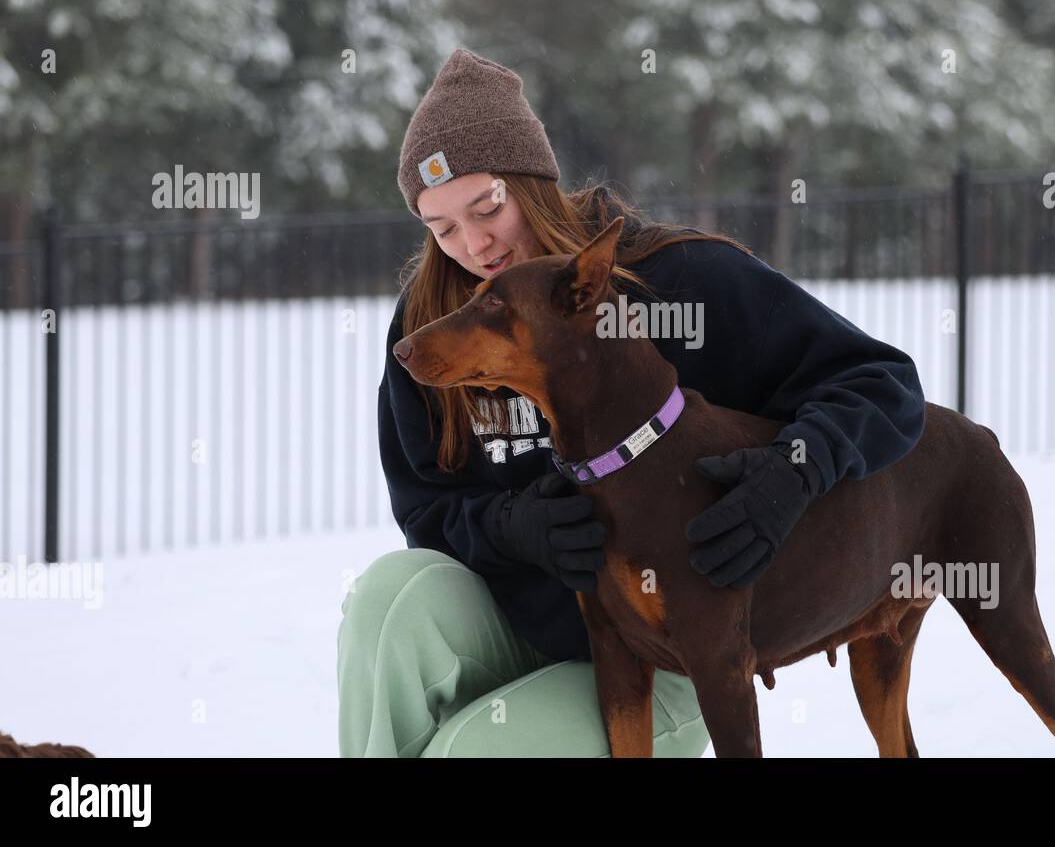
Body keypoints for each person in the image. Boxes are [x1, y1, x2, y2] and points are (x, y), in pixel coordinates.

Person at [336, 49, 927, 757]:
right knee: (385, 597)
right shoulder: (433, 324)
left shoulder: (674, 281)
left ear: (533, 181)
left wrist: (792, 472)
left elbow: (882, 384)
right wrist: (511, 525)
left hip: (665, 654)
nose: (473, 244)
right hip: (519, 626)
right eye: (441, 227)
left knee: (467, 752)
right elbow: (426, 510)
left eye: (487, 206)